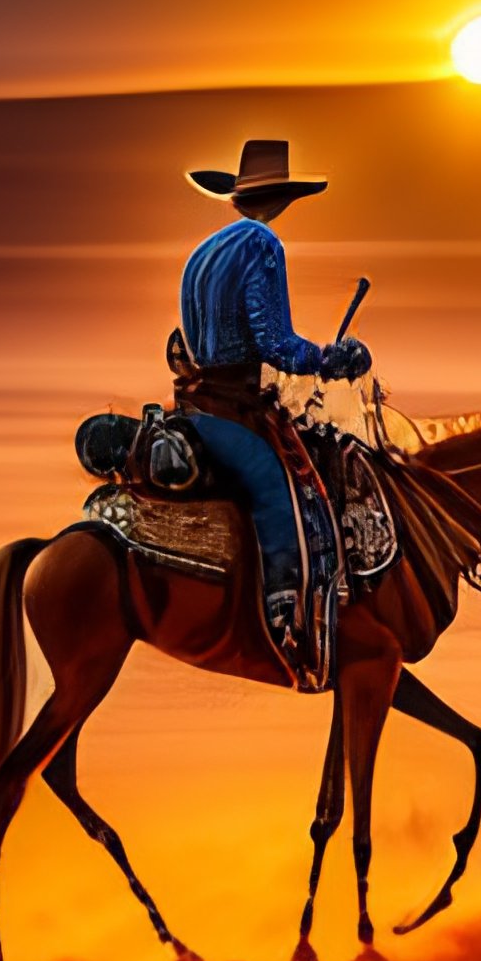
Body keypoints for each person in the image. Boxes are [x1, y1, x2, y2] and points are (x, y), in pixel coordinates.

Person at [174, 139, 372, 662]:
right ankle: (287, 620)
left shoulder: (203, 252)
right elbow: (274, 343)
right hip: (233, 408)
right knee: (285, 491)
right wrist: (331, 360)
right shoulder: (262, 244)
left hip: (195, 407)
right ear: (284, 199)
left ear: (236, 196)